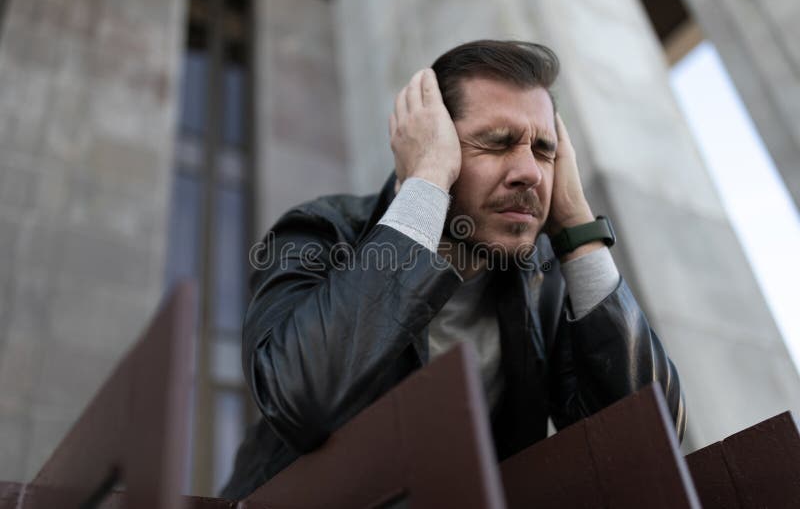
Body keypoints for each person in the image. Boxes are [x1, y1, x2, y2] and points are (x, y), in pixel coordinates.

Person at [220, 40, 685, 500]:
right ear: (432, 142)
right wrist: (426, 185)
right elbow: (301, 401)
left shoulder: (546, 278)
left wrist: (579, 227)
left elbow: (649, 437)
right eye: (497, 143)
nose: (530, 172)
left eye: (544, 150)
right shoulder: (323, 232)